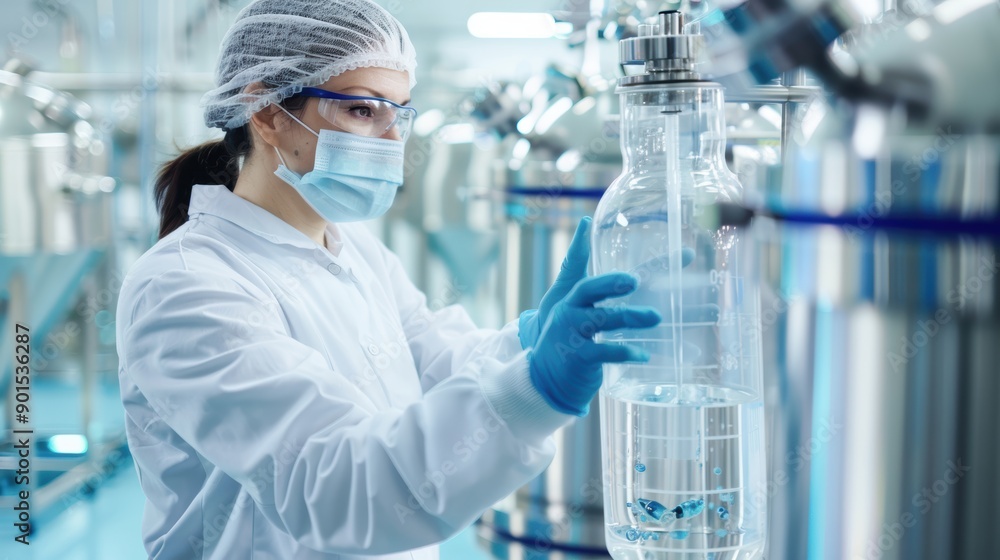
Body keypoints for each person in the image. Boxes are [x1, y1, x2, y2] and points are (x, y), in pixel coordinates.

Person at [115, 1, 660, 558]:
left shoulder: (357, 251)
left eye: (399, 113)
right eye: (362, 110)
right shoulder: (184, 287)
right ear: (268, 112)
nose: (393, 139)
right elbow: (335, 487)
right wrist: (535, 389)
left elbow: (437, 365)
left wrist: (530, 341)